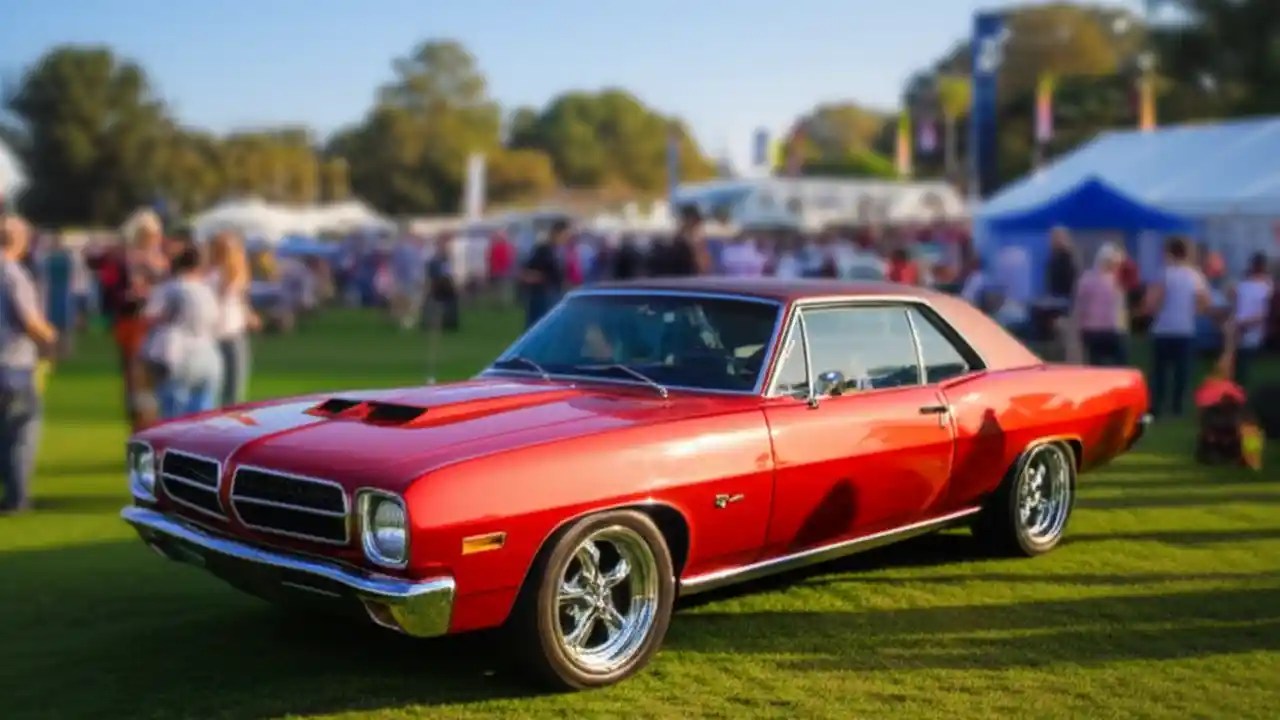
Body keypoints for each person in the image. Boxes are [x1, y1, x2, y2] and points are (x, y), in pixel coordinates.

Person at [0, 215, 58, 514]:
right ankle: (17, 499)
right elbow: (30, 321)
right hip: (13, 362)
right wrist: (50, 337)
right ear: (20, 241)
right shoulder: (13, 274)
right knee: (21, 433)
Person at [144, 244, 222, 420]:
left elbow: (151, 316)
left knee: (174, 417)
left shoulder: (169, 288)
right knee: (204, 416)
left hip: (176, 353)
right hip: (208, 353)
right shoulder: (206, 289)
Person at [1144, 235, 1210, 418]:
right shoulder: (1194, 275)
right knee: (1182, 371)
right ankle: (1178, 406)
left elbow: (1152, 301)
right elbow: (1204, 301)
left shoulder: (1164, 273)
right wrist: (1192, 311)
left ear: (1169, 252)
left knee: (1160, 371)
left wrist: (1154, 312)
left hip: (1163, 328)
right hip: (1185, 329)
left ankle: (1157, 406)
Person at [208, 231, 255, 407]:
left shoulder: (236, 274)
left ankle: (230, 416)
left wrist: (248, 315)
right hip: (217, 333)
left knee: (234, 387)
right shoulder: (212, 275)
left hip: (233, 331)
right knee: (220, 386)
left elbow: (240, 299)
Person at [1073, 243, 1129, 366]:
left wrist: (1079, 326)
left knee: (1096, 363)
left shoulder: (1087, 279)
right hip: (1109, 330)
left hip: (1091, 330)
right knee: (1119, 362)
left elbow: (1080, 305)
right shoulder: (1114, 282)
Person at [1229, 252, 1273, 388]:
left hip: (1247, 332)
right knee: (1239, 370)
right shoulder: (1256, 286)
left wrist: (1241, 324)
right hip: (1243, 332)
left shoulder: (1262, 287)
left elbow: (1263, 314)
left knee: (1242, 370)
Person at [521, 220, 568, 329]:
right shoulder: (543, 250)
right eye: (565, 234)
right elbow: (527, 271)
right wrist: (540, 277)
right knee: (537, 324)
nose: (566, 238)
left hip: (554, 292)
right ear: (557, 233)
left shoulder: (558, 251)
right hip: (542, 293)